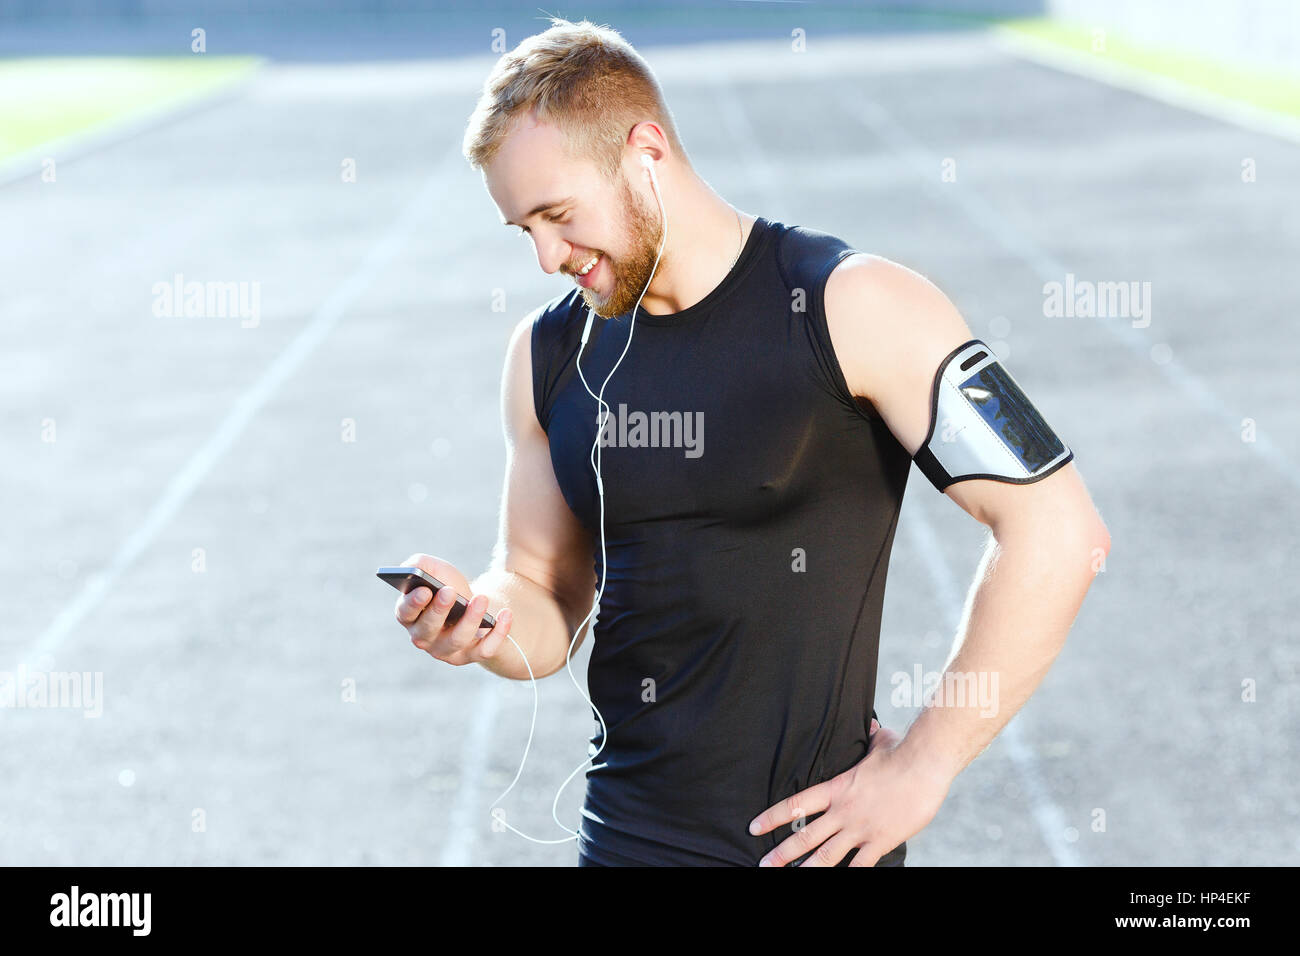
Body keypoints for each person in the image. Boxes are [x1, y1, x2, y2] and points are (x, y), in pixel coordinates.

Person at [393, 18, 1110, 867]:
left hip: (812, 848)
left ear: (644, 152)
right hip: (624, 840)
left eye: (558, 215)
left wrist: (926, 764)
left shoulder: (853, 305)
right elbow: (545, 591)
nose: (547, 256)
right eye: (525, 231)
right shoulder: (547, 355)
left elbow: (1060, 531)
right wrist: (480, 620)